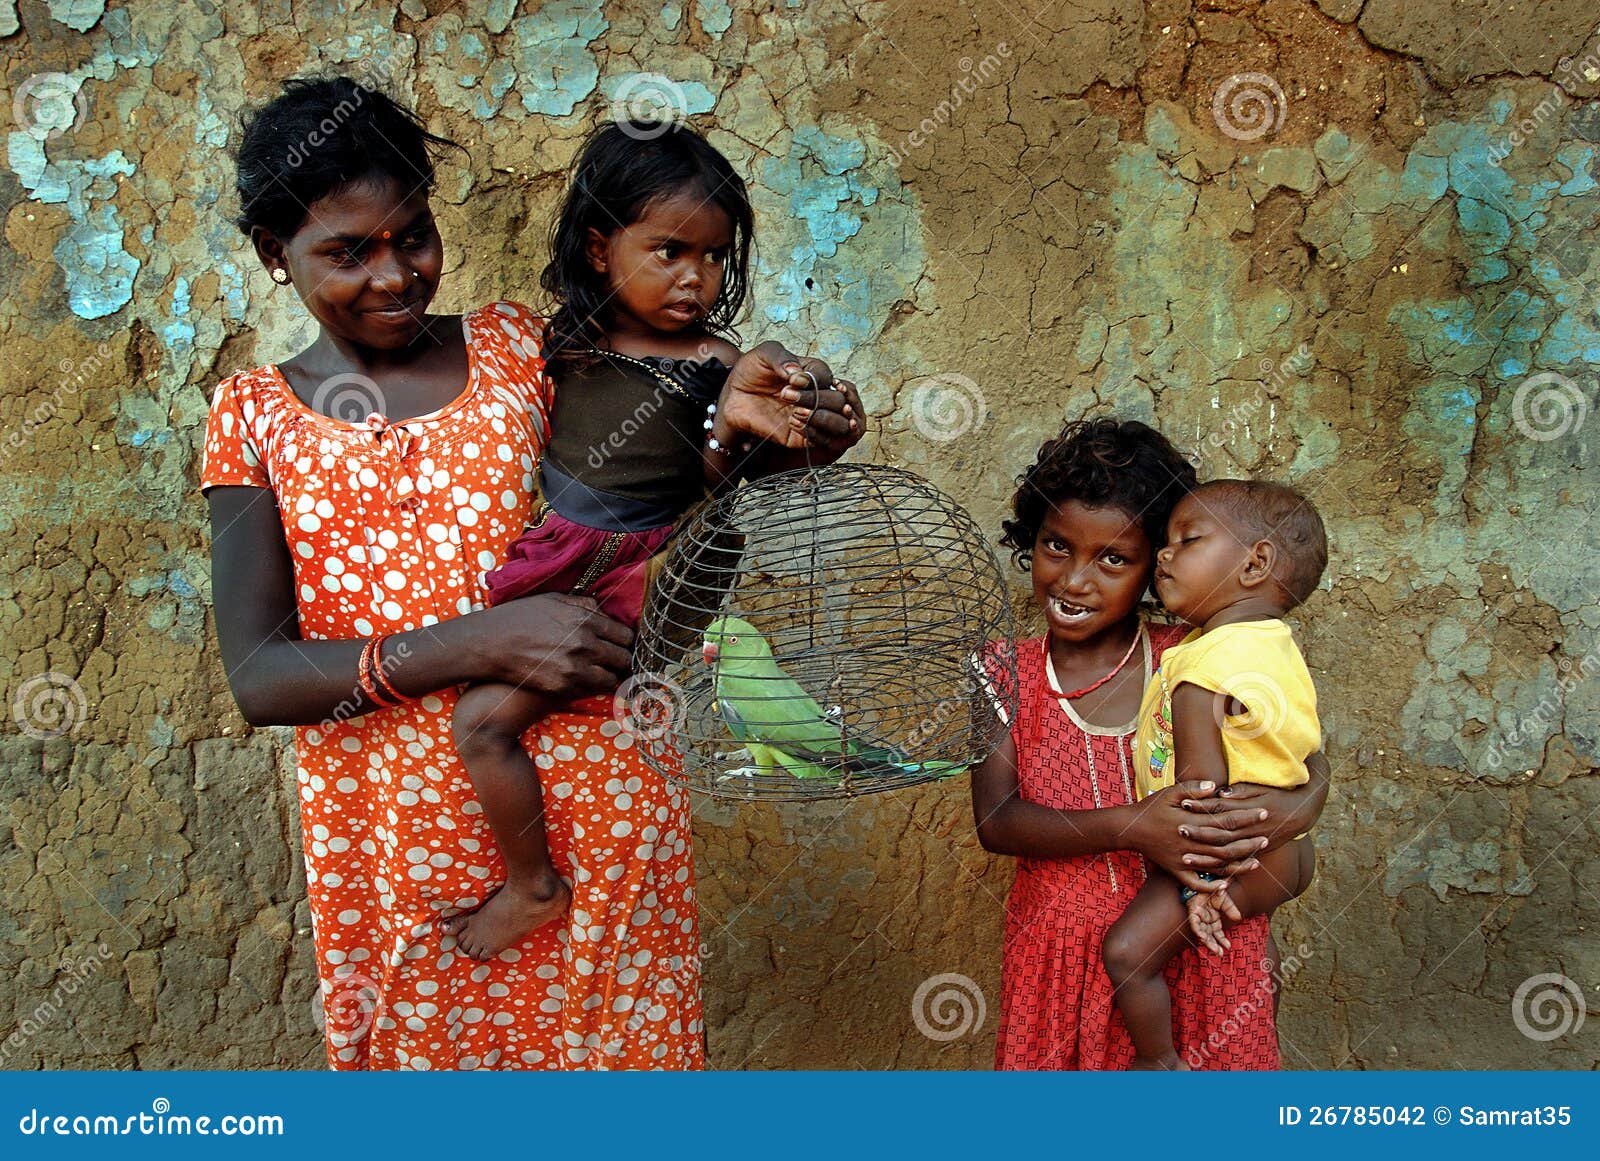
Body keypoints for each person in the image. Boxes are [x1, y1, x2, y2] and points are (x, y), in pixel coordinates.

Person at [202, 76, 859, 1070]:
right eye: (346, 252)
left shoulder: (522, 348)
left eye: (413, 237)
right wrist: (478, 641)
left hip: (598, 806)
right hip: (396, 843)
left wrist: (790, 434)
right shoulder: (251, 417)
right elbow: (260, 677)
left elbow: (665, 484)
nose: (393, 275)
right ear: (271, 253)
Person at [443, 121, 861, 960]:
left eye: (713, 256)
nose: (694, 277)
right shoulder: (565, 345)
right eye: (669, 251)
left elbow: (720, 474)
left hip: (644, 574)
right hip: (566, 561)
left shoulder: (714, 359)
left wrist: (770, 411)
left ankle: (532, 885)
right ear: (601, 249)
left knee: (481, 725)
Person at [971, 418, 1329, 1070]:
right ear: (1031, 540)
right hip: (1058, 957)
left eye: (1114, 558)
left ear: (1155, 565)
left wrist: (1304, 804)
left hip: (1196, 946)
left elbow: (1299, 756)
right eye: (1056, 546)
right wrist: (1135, 825)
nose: (1075, 580)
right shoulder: (1003, 673)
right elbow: (997, 820)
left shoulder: (1195, 656)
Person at [1103, 479, 1326, 1068]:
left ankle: (1158, 1064)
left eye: (1189, 539)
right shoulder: (1275, 648)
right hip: (1288, 850)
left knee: (1127, 953)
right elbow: (1305, 751)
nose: (1165, 554)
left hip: (1232, 854)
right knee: (1249, 954)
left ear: (1254, 564)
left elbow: (1200, 795)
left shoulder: (1206, 667)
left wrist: (1199, 885)